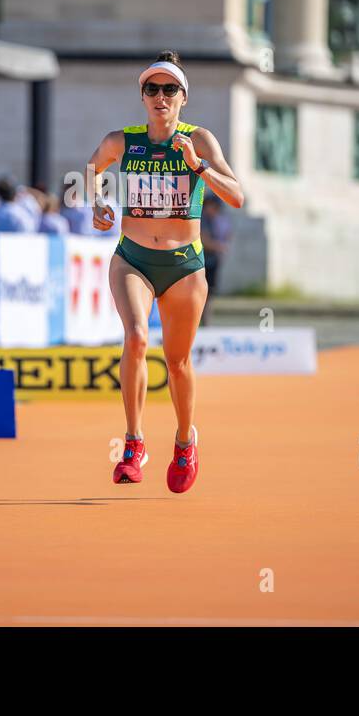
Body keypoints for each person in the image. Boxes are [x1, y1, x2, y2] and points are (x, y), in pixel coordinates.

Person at [84, 51, 243, 494]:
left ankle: (184, 440)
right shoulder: (124, 140)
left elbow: (236, 197)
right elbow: (90, 171)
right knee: (135, 337)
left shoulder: (201, 140)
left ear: (183, 98)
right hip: (133, 258)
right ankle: (134, 443)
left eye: (169, 89)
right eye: (152, 89)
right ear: (142, 96)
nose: (160, 97)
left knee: (177, 363)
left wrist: (198, 165)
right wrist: (97, 202)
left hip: (184, 266)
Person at [199, 194, 233, 326]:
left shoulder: (218, 220)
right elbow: (203, 240)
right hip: (202, 261)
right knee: (200, 292)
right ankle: (200, 321)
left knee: (209, 293)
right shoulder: (203, 220)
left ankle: (205, 321)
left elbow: (227, 235)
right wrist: (218, 246)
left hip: (212, 261)